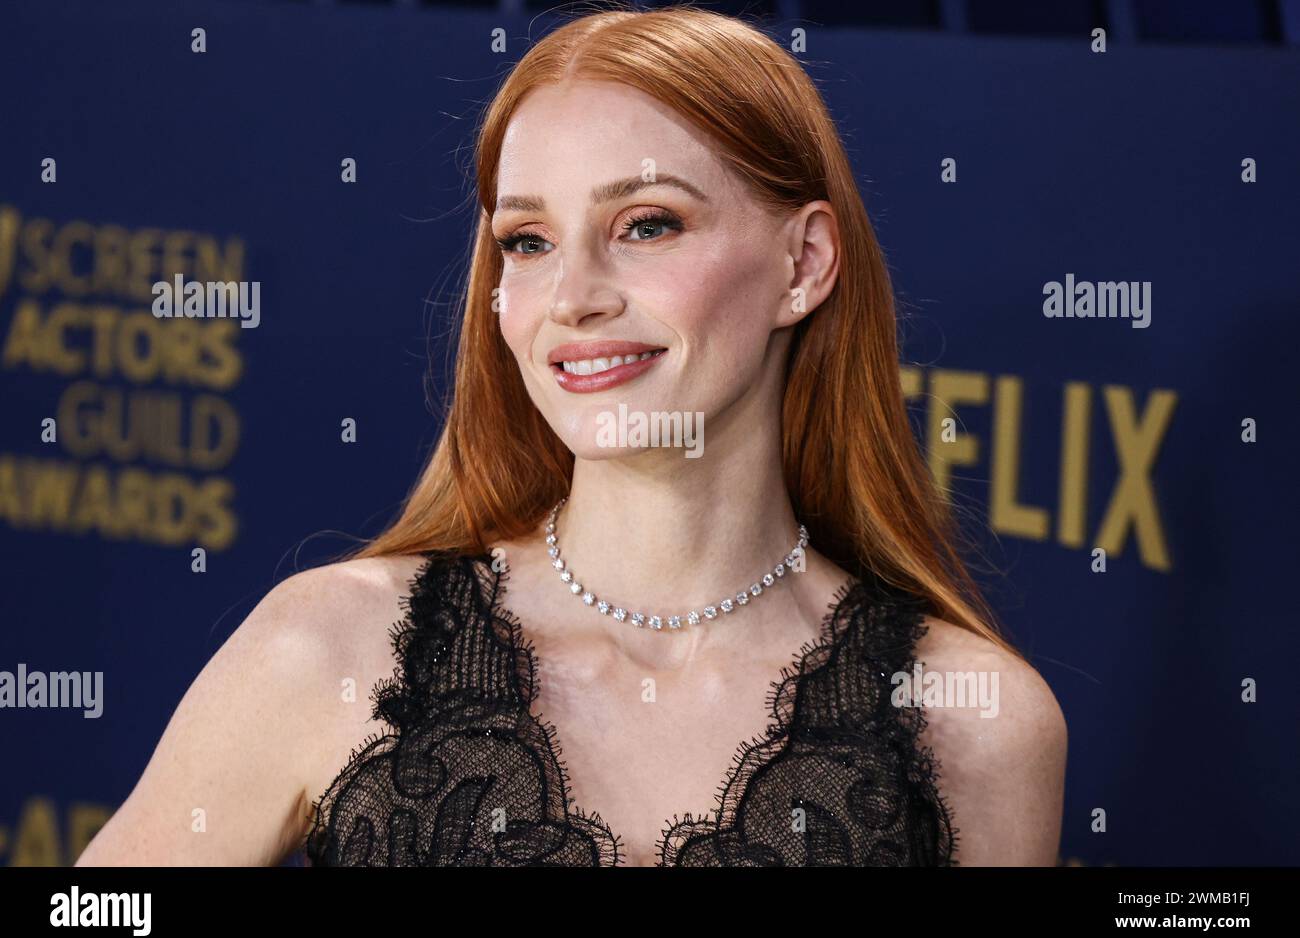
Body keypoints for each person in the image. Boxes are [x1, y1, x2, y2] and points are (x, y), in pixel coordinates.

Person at [77, 4, 1066, 868]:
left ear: (802, 262)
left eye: (646, 224)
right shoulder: (328, 645)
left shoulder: (975, 718)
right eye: (528, 242)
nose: (575, 298)